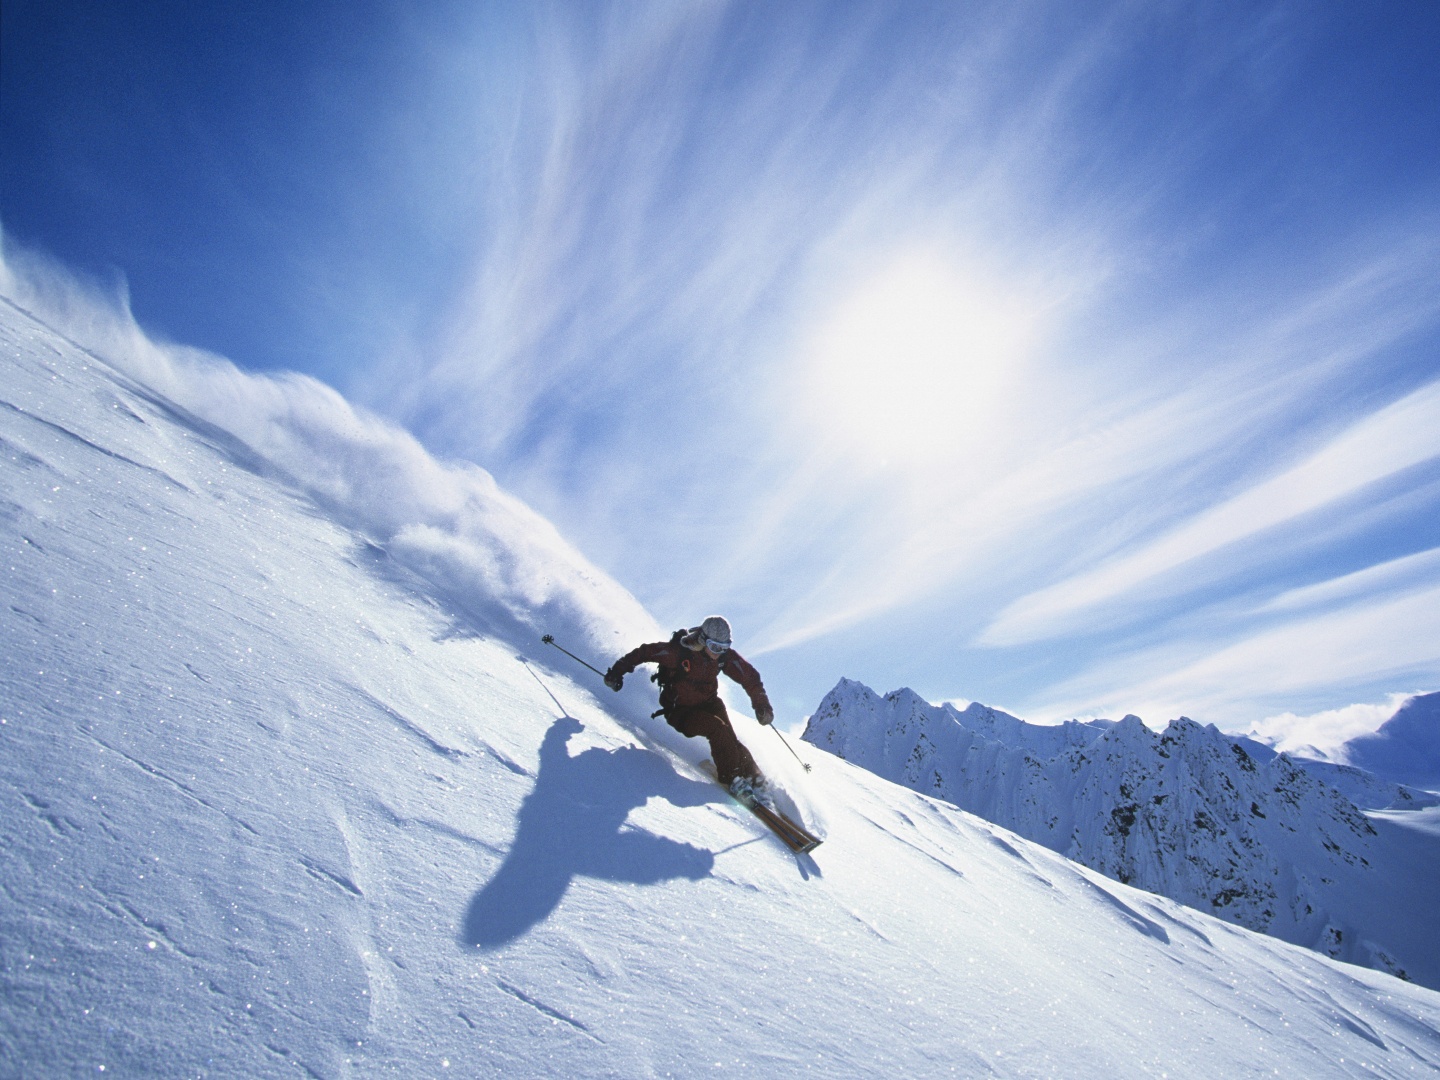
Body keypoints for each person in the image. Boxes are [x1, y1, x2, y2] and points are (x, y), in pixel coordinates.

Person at [604, 616, 774, 796]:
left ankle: (756, 779)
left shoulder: (722, 657)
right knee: (718, 729)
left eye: (724, 648)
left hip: (709, 703)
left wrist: (762, 706)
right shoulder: (678, 653)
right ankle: (733, 779)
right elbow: (644, 652)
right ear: (703, 640)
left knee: (729, 739)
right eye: (715, 647)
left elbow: (750, 677)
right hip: (681, 711)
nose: (719, 653)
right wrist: (616, 672)